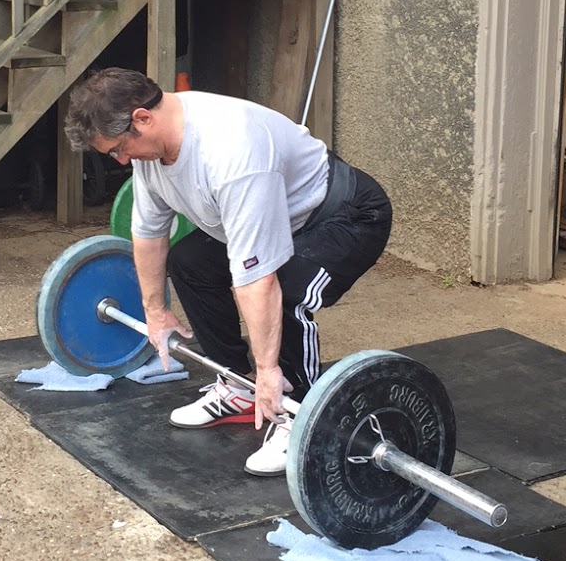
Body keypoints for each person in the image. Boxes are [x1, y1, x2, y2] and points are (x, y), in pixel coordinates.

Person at [63, 69, 393, 477]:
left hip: (344, 216)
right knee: (189, 262)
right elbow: (148, 233)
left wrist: (269, 370)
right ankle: (237, 384)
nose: (122, 160)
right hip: (275, 215)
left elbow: (257, 279)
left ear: (142, 118)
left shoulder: (231, 150)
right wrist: (154, 310)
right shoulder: (151, 148)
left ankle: (301, 414)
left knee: (287, 294)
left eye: (118, 149)